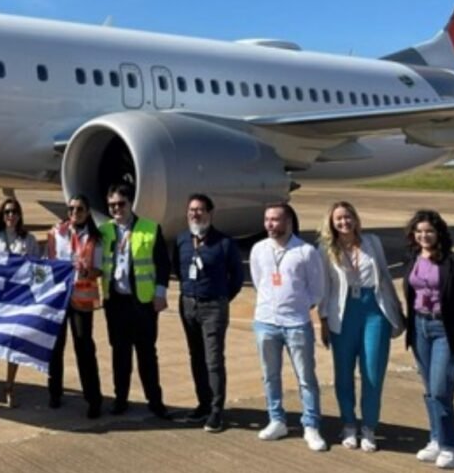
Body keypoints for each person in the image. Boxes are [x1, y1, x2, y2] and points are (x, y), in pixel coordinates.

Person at [317, 201, 404, 452]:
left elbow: (385, 276)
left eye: (348, 217)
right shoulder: (325, 249)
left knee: (373, 372)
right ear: (332, 224)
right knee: (343, 373)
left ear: (355, 219)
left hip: (374, 310)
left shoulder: (372, 242)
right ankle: (349, 424)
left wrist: (396, 308)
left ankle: (369, 426)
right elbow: (324, 288)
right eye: (338, 219)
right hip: (343, 313)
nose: (344, 222)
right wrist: (323, 320)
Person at [403, 209, 454, 470]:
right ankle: (436, 438)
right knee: (429, 391)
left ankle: (450, 447)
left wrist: (444, 307)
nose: (424, 235)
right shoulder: (412, 258)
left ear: (439, 234)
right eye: (420, 231)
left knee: (440, 390)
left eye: (429, 231)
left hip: (445, 330)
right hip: (419, 327)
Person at [250, 202, 327, 451]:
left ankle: (311, 424)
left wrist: (300, 304)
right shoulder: (259, 249)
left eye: (275, 219)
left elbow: (317, 289)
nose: (270, 224)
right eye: (267, 219)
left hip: (296, 323)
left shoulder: (305, 251)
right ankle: (276, 420)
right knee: (270, 376)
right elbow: (258, 280)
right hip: (265, 322)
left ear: (289, 222)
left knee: (306, 377)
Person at [173, 193, 244, 432]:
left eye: (200, 210)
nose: (195, 214)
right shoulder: (182, 240)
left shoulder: (223, 243)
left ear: (210, 214)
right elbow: (178, 269)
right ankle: (202, 404)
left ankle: (216, 410)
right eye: (191, 210)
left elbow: (237, 277)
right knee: (196, 356)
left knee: (213, 359)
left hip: (213, 306)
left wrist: (222, 298)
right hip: (188, 305)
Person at [99, 184, 170, 418]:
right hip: (116, 302)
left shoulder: (149, 228)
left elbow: (162, 265)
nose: (117, 209)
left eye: (121, 204)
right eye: (112, 205)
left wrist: (160, 294)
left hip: (143, 302)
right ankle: (121, 399)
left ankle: (155, 401)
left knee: (146, 353)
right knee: (120, 353)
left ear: (131, 203)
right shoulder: (104, 231)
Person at [0, 197, 41, 412]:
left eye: (14, 212)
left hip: (19, 299)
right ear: (2, 216)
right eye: (7, 212)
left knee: (13, 345)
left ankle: (9, 387)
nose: (10, 216)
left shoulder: (29, 240)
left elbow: (38, 269)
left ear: (20, 215)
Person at [46, 194, 103, 419]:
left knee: (84, 349)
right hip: (59, 299)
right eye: (71, 209)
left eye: (79, 209)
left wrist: (88, 271)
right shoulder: (56, 233)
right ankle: (54, 392)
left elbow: (100, 269)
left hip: (82, 299)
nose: (74, 213)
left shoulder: (94, 238)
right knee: (55, 348)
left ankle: (93, 399)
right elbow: (48, 263)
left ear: (87, 212)